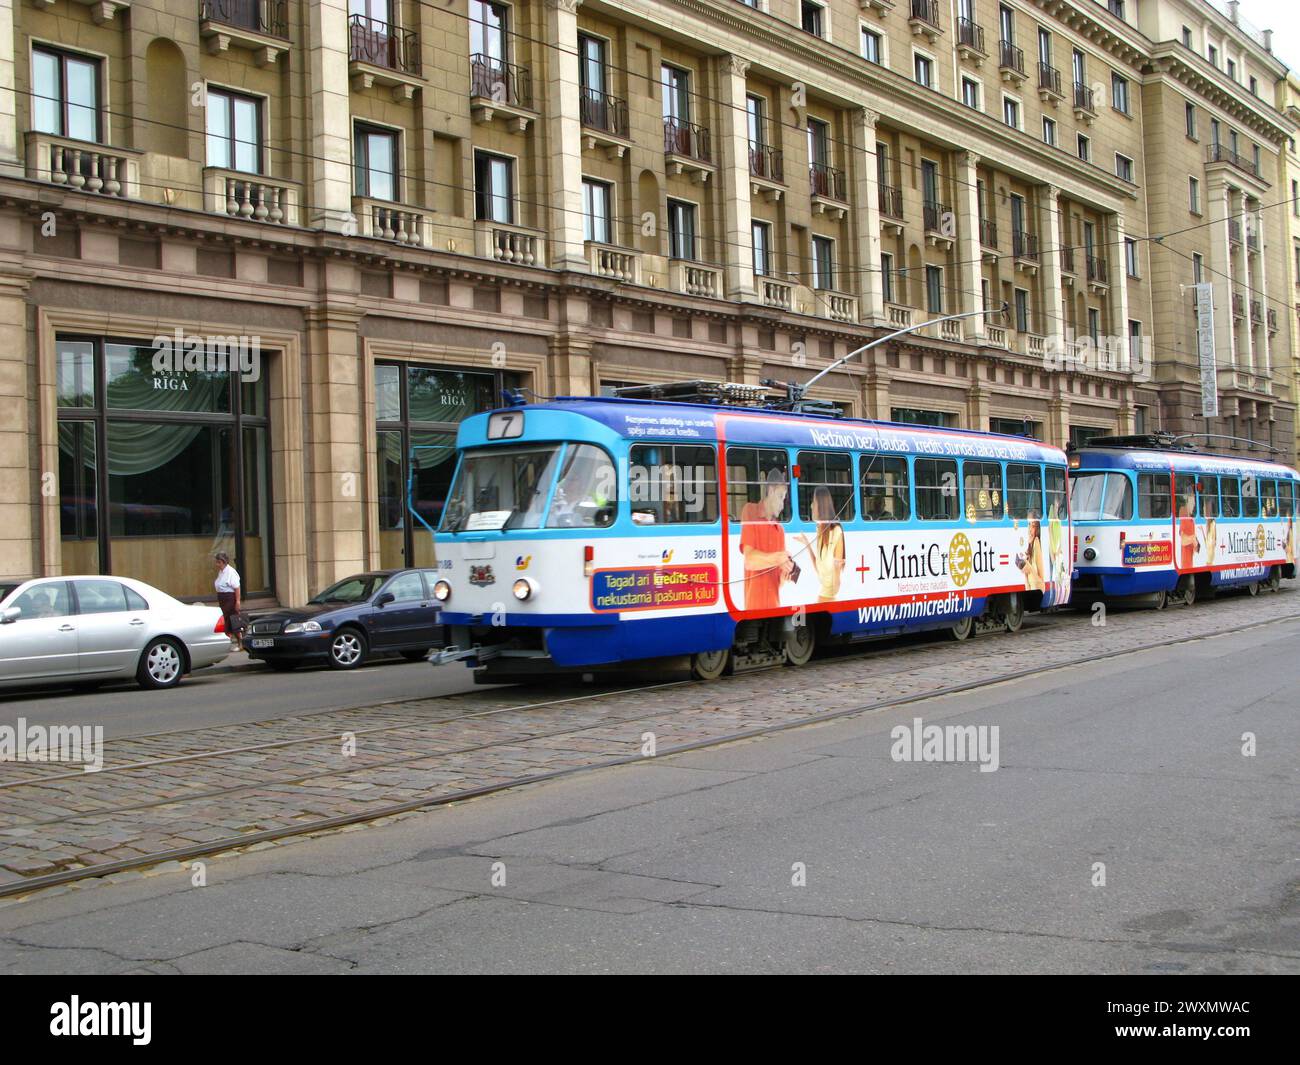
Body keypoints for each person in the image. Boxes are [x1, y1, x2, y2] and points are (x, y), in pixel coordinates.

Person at [739, 467, 793, 610]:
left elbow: (778, 584)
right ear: (770, 491)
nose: (782, 505)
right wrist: (778, 558)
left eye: (784, 499)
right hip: (753, 609)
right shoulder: (750, 511)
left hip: (775, 608)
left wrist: (784, 576)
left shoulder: (780, 530)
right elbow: (750, 561)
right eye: (780, 497)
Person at [797, 486, 845, 602]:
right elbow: (820, 570)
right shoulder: (820, 530)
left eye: (814, 502)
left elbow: (836, 586)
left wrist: (837, 570)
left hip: (829, 599)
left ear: (821, 505)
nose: (811, 506)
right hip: (823, 596)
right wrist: (807, 545)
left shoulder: (837, 531)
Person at [213, 551, 244, 651]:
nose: (216, 564)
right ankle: (229, 642)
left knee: (232, 619)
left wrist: (238, 601)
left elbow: (237, 587)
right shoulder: (221, 572)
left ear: (223, 562)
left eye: (218, 562)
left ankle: (240, 643)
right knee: (227, 620)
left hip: (229, 598)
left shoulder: (230, 572)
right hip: (222, 598)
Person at [1016, 514, 1046, 593]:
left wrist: (1028, 567)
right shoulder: (1030, 544)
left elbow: (1041, 577)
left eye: (1033, 526)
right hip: (1032, 589)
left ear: (1037, 529)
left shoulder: (1036, 542)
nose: (1030, 529)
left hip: (1037, 588)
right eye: (1029, 525)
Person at [1177, 494, 1198, 571]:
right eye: (1191, 503)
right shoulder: (1184, 516)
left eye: (1194, 504)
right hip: (1185, 564)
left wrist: (1196, 545)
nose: (1193, 506)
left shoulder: (1191, 520)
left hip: (1190, 563)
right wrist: (1193, 539)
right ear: (1187, 503)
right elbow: (1183, 540)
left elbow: (1195, 548)